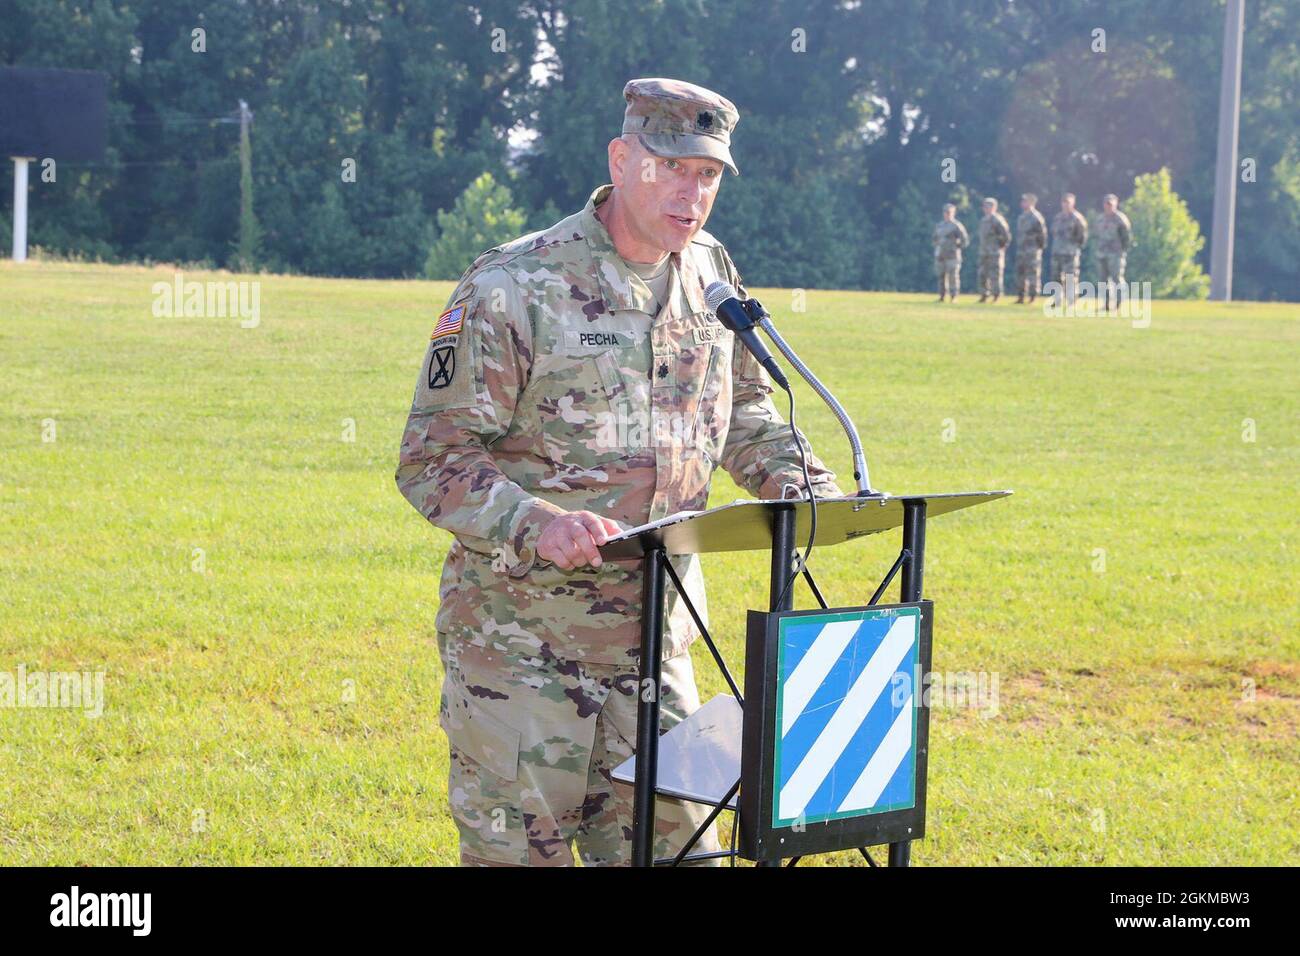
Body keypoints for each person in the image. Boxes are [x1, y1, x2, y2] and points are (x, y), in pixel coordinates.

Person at [395, 77, 841, 867]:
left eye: (708, 176)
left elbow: (744, 415)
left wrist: (800, 482)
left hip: (660, 642)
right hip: (524, 648)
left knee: (682, 857)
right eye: (674, 167)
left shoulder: (710, 273)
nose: (692, 193)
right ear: (622, 157)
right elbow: (434, 459)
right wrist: (537, 522)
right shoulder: (514, 285)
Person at [1095, 193, 1132, 312]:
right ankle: (1105, 304)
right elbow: (1096, 235)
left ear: (1115, 204)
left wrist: (1122, 251)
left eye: (1110, 204)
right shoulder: (1100, 219)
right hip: (1102, 253)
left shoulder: (1120, 219)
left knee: (1116, 278)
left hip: (1116, 254)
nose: (1108, 206)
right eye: (1106, 204)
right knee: (1103, 279)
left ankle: (1119, 303)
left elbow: (1126, 238)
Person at [1050, 192, 1089, 306]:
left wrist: (1075, 248)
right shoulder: (1058, 218)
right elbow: (1054, 233)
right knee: (1056, 277)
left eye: (1068, 202)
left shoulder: (1077, 219)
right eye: (1064, 202)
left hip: (1070, 253)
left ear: (1073, 203)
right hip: (1057, 252)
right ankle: (1057, 300)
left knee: (1070, 277)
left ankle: (1071, 300)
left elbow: (1082, 237)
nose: (1066, 205)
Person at [976, 197, 1011, 303]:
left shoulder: (997, 220)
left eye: (988, 206)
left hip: (994, 252)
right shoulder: (984, 220)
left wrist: (1000, 247)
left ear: (994, 207)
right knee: (982, 274)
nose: (985, 208)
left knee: (995, 275)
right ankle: (984, 295)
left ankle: (996, 295)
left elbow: (1006, 236)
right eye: (984, 206)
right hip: (984, 252)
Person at [1014, 193, 1047, 304]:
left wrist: (1038, 248)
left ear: (1032, 203)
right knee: (1020, 274)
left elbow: (1042, 235)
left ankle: (1033, 296)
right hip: (1021, 250)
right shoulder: (1021, 217)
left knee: (1033, 274)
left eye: (1025, 201)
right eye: (1022, 201)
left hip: (1032, 250)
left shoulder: (1036, 217)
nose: (1023, 203)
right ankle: (1021, 296)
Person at [932, 203, 969, 302]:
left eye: (949, 212)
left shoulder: (956, 226)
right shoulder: (939, 225)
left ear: (953, 213)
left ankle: (954, 296)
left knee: (953, 277)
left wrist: (957, 247)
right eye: (945, 212)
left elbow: (965, 240)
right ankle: (942, 296)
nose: (947, 214)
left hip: (952, 256)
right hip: (941, 255)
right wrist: (937, 246)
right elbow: (935, 238)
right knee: (941, 276)